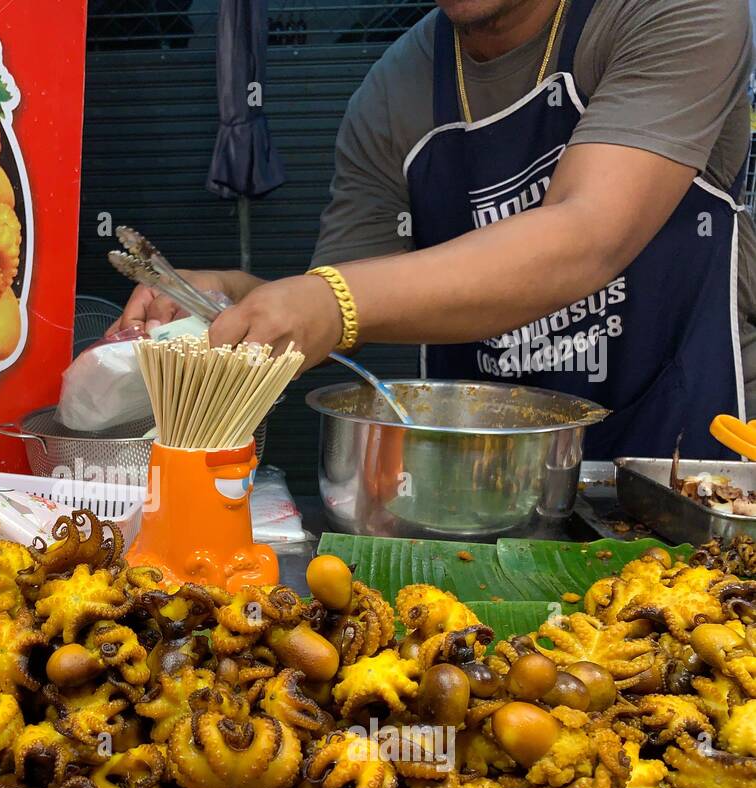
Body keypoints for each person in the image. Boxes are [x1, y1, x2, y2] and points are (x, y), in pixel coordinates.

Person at [117, 0, 756, 458]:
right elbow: (344, 299)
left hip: (688, 460)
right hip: (493, 487)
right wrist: (229, 297)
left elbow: (588, 235)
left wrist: (328, 301)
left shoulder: (673, 11)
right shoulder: (396, 88)